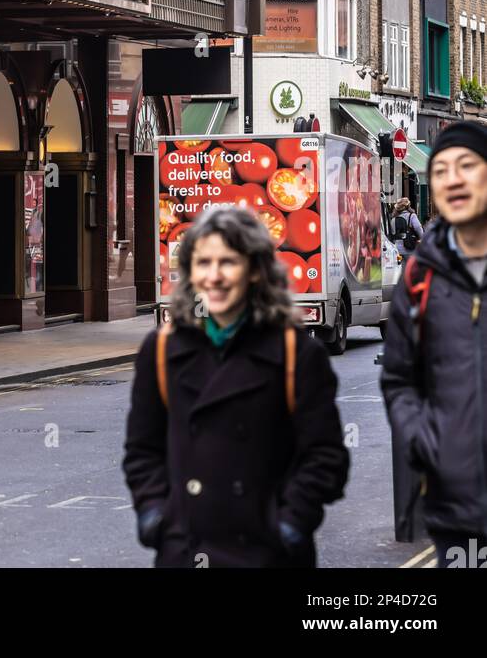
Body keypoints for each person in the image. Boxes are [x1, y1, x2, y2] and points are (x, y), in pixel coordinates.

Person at [123, 206, 349, 568]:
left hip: (268, 552)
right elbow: (142, 451)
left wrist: (289, 525)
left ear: (256, 271)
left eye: (228, 262)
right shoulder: (161, 350)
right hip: (186, 550)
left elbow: (326, 458)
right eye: (203, 263)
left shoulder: (296, 354)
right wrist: (155, 518)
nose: (214, 276)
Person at [381, 121, 487, 568]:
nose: (453, 179)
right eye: (440, 170)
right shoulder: (420, 276)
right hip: (457, 510)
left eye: (467, 166)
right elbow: (399, 379)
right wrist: (423, 441)